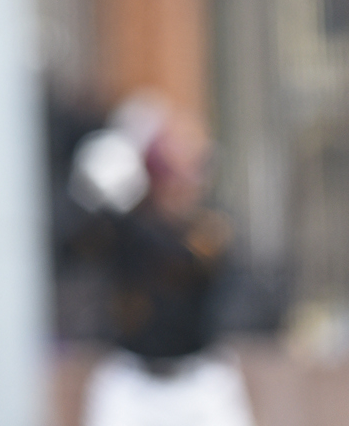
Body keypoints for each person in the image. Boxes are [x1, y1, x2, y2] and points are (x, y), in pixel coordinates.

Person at [70, 96, 255, 426]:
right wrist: (96, 194)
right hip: (133, 380)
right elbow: (72, 241)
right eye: (171, 174)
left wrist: (122, 215)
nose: (182, 186)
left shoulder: (211, 225)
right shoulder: (124, 225)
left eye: (191, 172)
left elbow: (178, 257)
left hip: (199, 380)